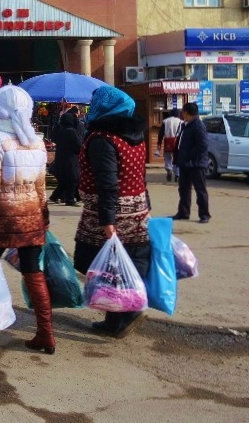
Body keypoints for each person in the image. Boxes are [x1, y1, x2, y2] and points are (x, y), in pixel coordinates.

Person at [0, 85, 54, 354]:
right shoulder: (37, 141)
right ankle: (46, 332)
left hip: (3, 218)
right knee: (34, 274)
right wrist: (44, 217)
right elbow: (41, 188)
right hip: (31, 218)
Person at [73, 86, 151, 339]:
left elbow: (108, 183)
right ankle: (115, 316)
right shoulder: (136, 135)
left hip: (107, 213)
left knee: (94, 263)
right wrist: (145, 205)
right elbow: (140, 174)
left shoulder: (101, 139)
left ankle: (125, 313)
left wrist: (107, 221)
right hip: (138, 210)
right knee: (123, 264)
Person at [173, 102, 211, 224]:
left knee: (200, 190)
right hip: (185, 164)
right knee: (184, 189)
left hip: (196, 164)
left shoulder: (198, 126)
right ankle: (183, 212)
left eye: (183, 112)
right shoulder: (186, 125)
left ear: (187, 112)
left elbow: (202, 145)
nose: (182, 114)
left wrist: (188, 156)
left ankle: (204, 214)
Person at [51, 111, 83, 207]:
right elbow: (78, 146)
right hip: (71, 159)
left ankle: (55, 196)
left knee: (65, 180)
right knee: (72, 179)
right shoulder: (72, 131)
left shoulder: (61, 131)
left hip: (61, 158)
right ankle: (69, 199)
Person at [157, 109, 183, 182]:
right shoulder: (181, 121)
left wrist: (159, 142)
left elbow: (161, 133)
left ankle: (169, 169)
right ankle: (177, 174)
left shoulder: (165, 121)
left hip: (168, 141)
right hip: (178, 142)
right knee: (176, 158)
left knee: (167, 156)